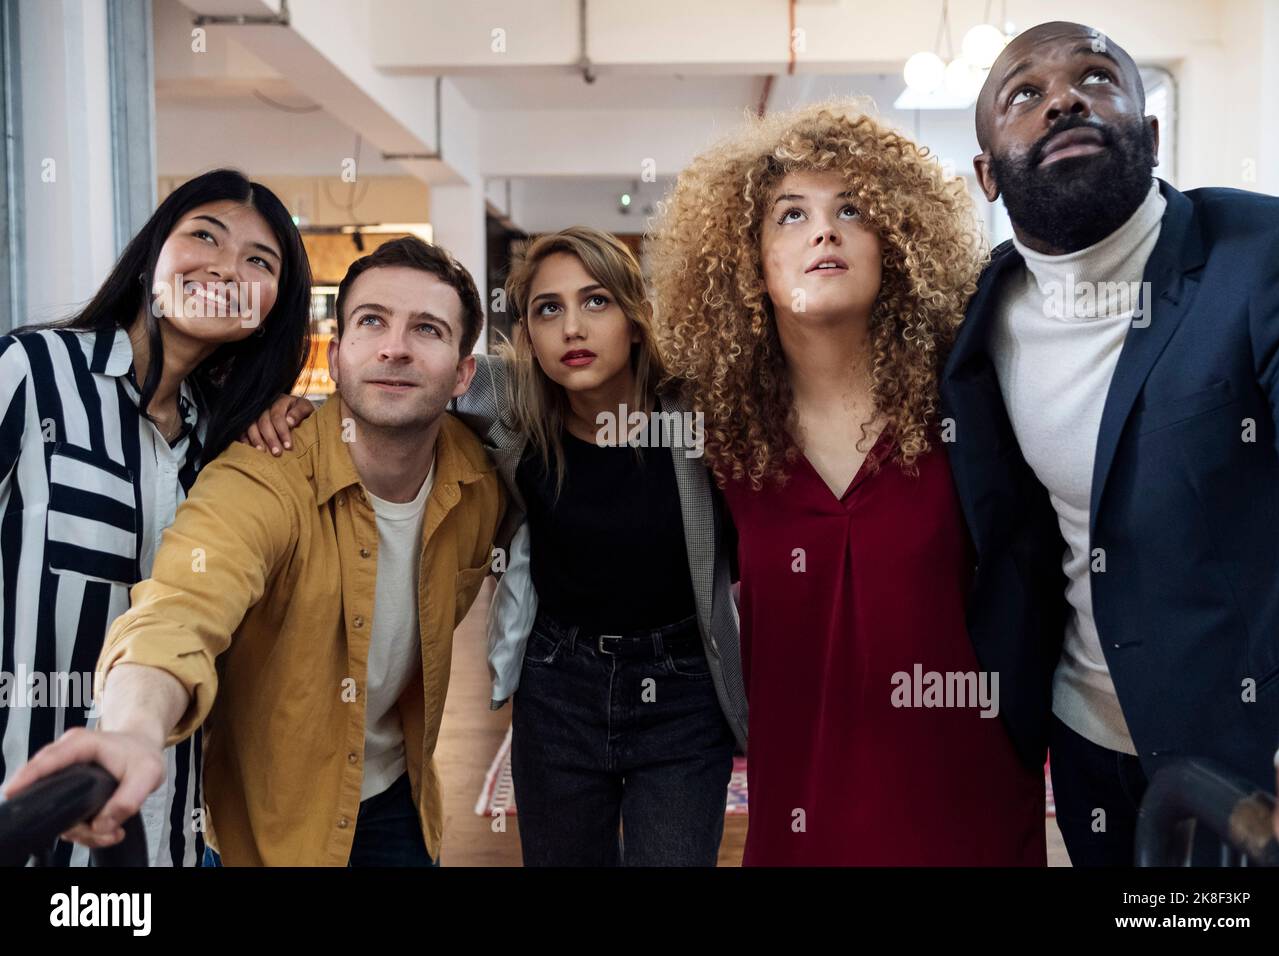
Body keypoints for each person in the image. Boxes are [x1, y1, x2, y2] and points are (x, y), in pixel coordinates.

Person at [4, 237, 505, 866]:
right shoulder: (264, 475)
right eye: (371, 321)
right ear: (339, 351)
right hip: (268, 835)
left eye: (427, 329)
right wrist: (132, 730)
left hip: (401, 807)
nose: (395, 346)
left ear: (463, 372)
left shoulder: (481, 479)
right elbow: (178, 612)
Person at [256, 227, 746, 866]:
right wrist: (288, 405)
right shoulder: (515, 403)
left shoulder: (696, 415)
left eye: (596, 301)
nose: (572, 328)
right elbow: (405, 377)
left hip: (679, 690)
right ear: (529, 338)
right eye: (548, 309)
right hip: (558, 687)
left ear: (633, 317)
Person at [942, 20, 1279, 865]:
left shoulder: (1267, 257)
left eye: (1098, 77)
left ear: (1150, 133)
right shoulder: (979, 317)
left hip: (1248, 754)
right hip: (1088, 749)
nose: (1064, 96)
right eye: (1023, 93)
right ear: (988, 174)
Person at [651, 101, 1046, 865]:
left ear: (895, 243)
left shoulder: (971, 400)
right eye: (789, 215)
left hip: (969, 802)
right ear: (749, 262)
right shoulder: (719, 433)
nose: (823, 231)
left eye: (852, 210)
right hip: (801, 809)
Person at [0, 168, 311, 865]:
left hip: (166, 826)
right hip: (24, 809)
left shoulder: (228, 447)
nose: (227, 267)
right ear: (153, 253)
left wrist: (298, 418)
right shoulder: (32, 372)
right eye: (205, 234)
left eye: (259, 262)